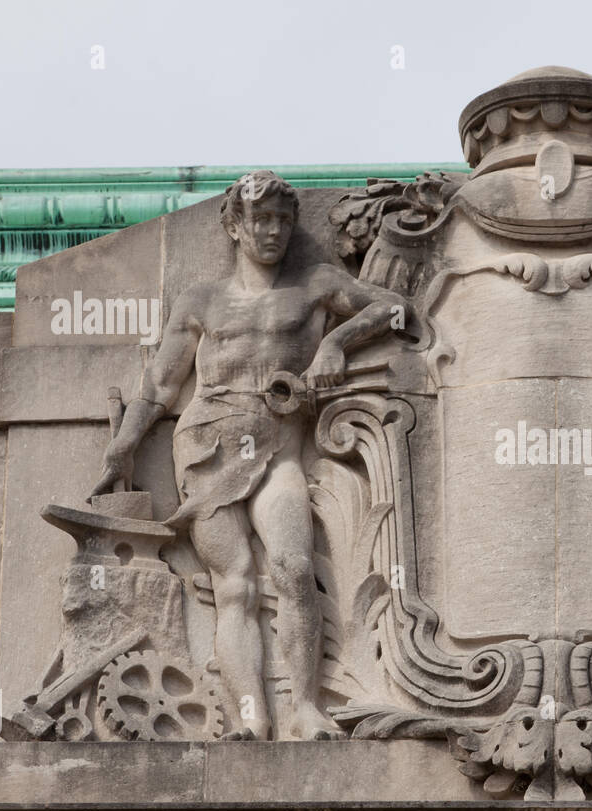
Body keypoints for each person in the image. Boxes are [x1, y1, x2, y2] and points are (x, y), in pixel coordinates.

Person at [91, 170, 408, 740]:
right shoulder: (202, 302)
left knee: (292, 566)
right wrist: (124, 443)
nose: (274, 232)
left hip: (279, 449)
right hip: (206, 448)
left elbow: (392, 309)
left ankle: (306, 708)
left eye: (283, 221)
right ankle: (249, 718)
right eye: (261, 220)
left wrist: (335, 342)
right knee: (233, 581)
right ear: (234, 227)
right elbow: (161, 388)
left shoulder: (314, 284)